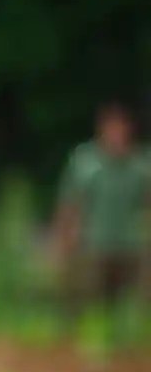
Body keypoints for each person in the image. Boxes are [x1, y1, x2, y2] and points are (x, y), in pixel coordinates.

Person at [52, 100, 150, 316]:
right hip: (93, 244)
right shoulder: (86, 162)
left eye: (121, 127)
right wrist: (63, 242)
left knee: (135, 301)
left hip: (131, 244)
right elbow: (70, 204)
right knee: (88, 303)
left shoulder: (141, 165)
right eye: (111, 127)